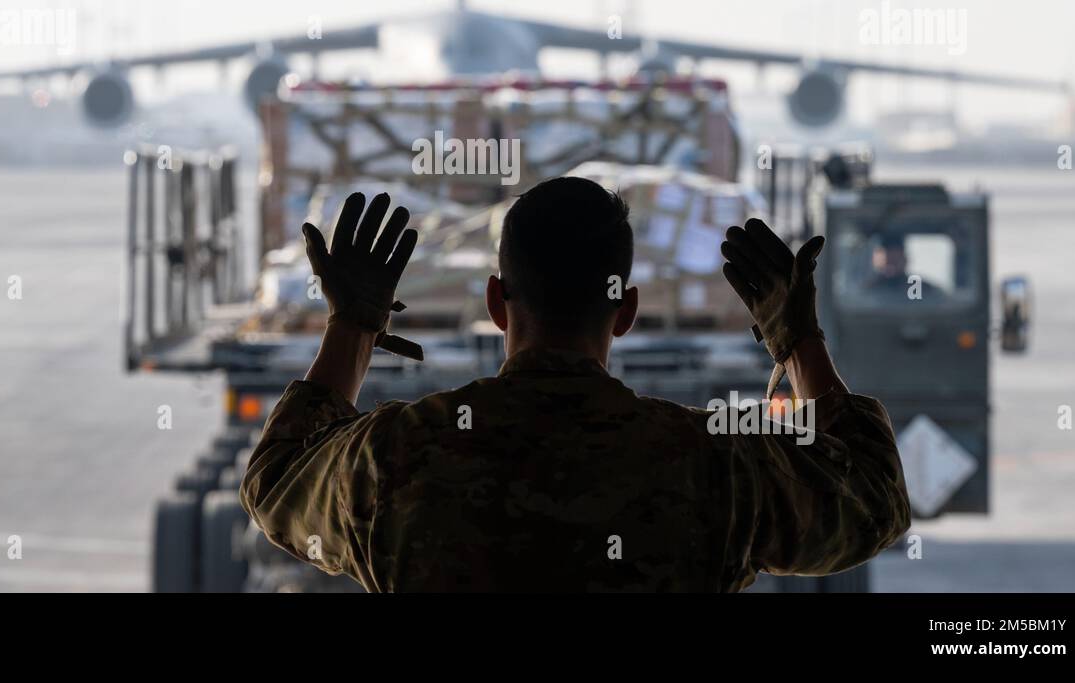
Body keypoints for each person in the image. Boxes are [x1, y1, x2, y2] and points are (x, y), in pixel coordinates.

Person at [240, 177, 910, 592]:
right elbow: (872, 499)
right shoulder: (713, 463)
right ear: (625, 311)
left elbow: (276, 481)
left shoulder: (397, 456)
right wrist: (797, 340)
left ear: (498, 303)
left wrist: (353, 325)